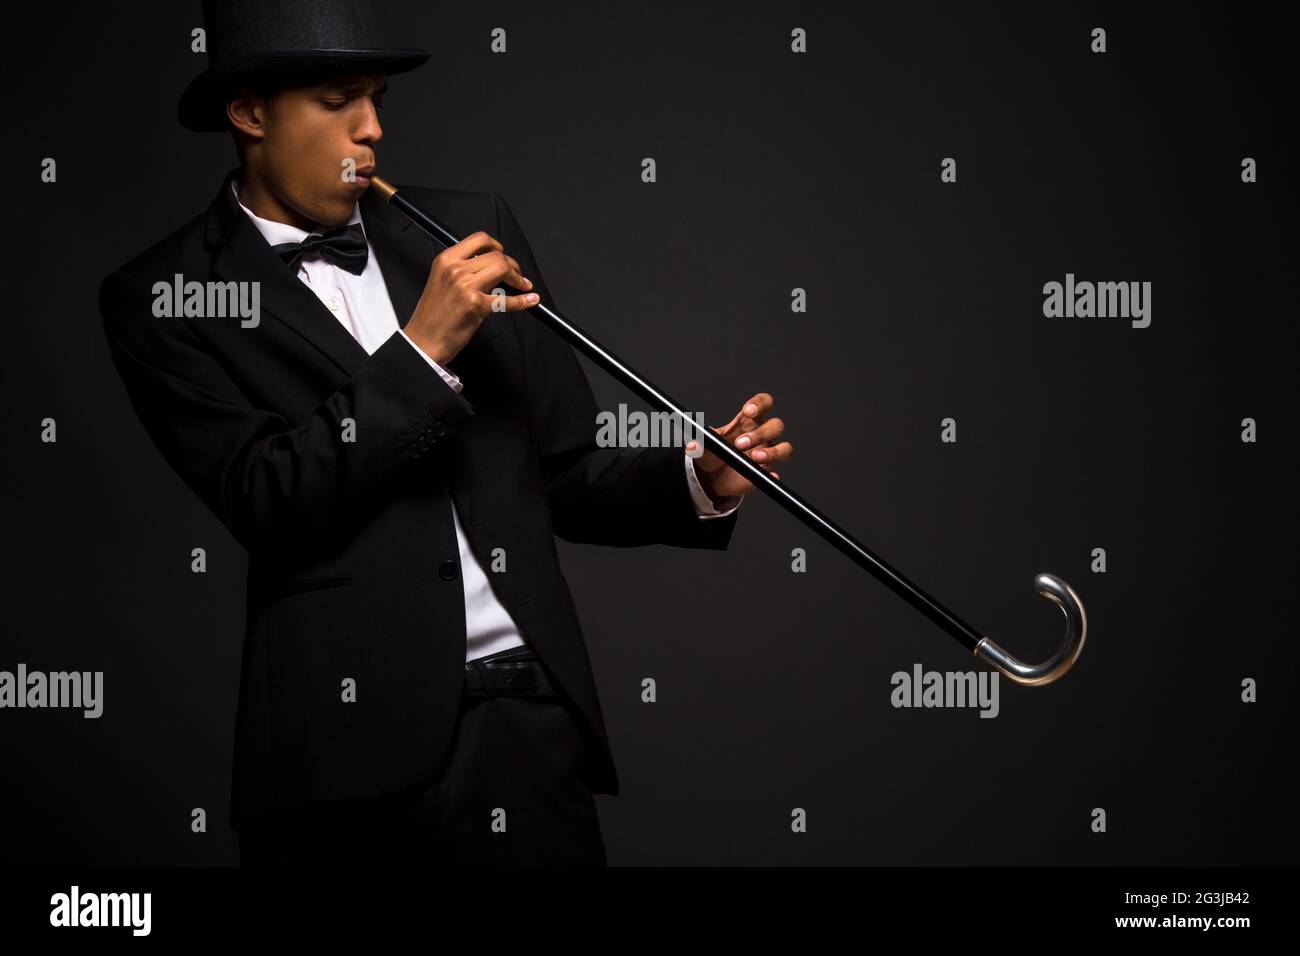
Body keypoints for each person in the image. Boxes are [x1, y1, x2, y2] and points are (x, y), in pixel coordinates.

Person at [99, 0, 793, 866]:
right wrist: (421, 351)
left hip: (527, 727)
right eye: (338, 99)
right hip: (338, 757)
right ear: (248, 112)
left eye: (378, 97)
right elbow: (266, 498)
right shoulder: (161, 295)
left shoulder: (465, 228)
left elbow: (564, 472)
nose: (374, 128)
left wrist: (695, 477)